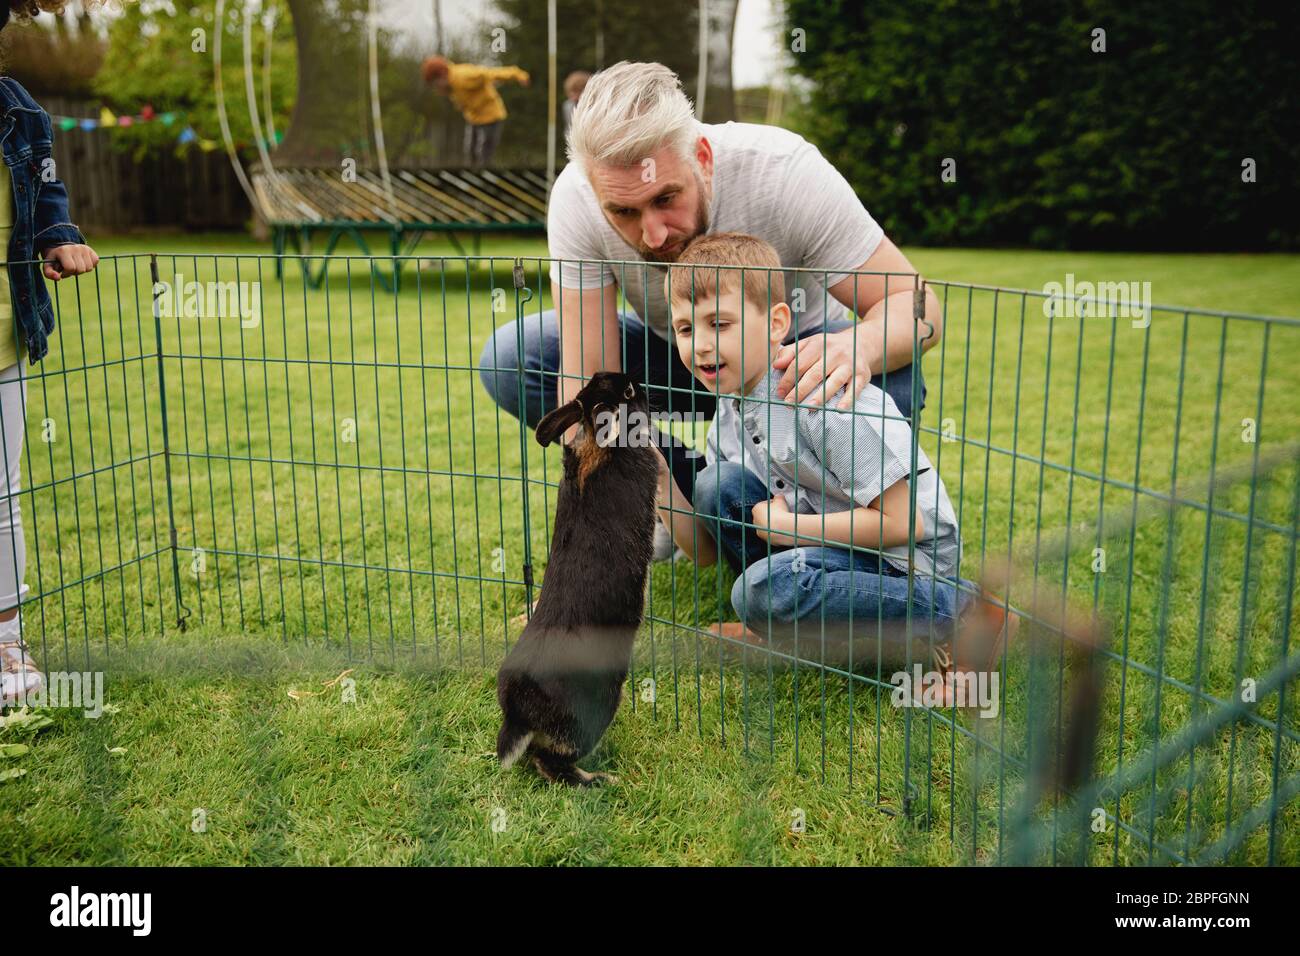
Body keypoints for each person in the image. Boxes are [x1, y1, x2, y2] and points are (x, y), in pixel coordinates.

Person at [478, 61, 945, 560]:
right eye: (624, 212)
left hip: (797, 375)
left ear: (701, 157)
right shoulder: (576, 198)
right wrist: (584, 554)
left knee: (882, 368)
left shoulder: (785, 171)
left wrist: (858, 346)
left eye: (666, 199)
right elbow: (588, 383)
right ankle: (686, 505)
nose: (653, 235)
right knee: (516, 355)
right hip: (677, 360)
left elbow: (919, 308)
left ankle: (840, 532)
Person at [659, 232, 1015, 692]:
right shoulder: (730, 407)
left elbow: (904, 524)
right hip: (828, 539)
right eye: (687, 329)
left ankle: (964, 610)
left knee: (762, 590)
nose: (701, 346)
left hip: (903, 558)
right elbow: (705, 555)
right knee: (716, 483)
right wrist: (657, 476)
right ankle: (784, 624)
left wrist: (790, 532)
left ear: (776, 323)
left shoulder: (819, 396)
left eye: (719, 324)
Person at [0, 0, 101, 706]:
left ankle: (5, 636)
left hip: (3, 333)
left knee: (0, 493)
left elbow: (42, 187)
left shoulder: (21, 111)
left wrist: (56, 233)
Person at [421, 55, 529, 168]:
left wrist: (518, 74)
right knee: (470, 152)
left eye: (435, 83)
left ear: (442, 75)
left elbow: (491, 73)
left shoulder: (464, 75)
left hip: (491, 115)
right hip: (474, 118)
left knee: (484, 153)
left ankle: (485, 176)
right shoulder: (450, 86)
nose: (436, 88)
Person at [561, 70, 590, 142]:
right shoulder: (568, 106)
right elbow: (569, 128)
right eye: (571, 92)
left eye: (577, 91)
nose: (573, 96)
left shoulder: (594, 105)